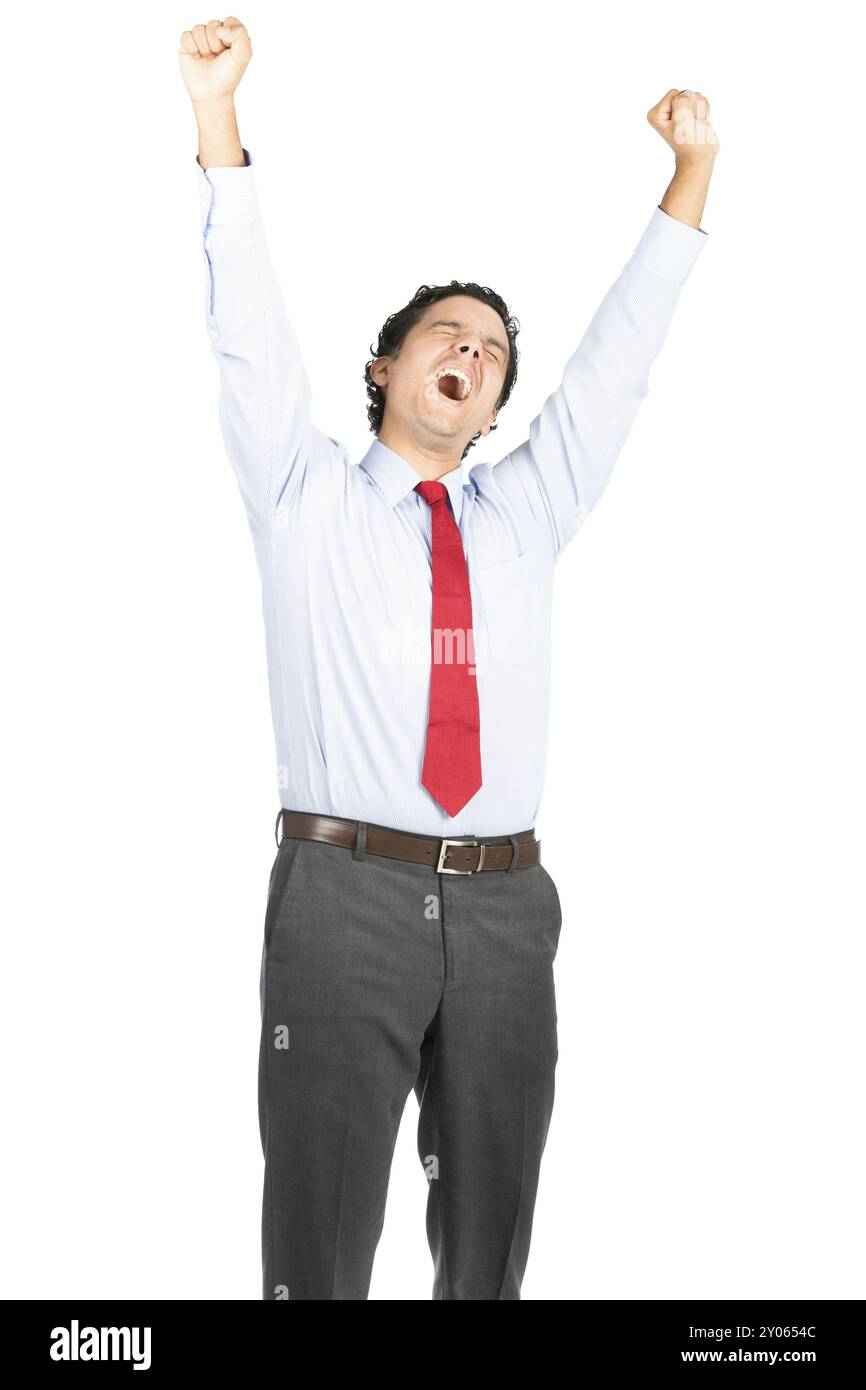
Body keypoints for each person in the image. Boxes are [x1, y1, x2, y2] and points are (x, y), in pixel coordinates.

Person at [179, 15, 717, 1301]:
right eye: (448, 333)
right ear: (386, 365)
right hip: (341, 895)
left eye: (491, 351)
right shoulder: (301, 495)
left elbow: (615, 368)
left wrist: (691, 175)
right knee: (316, 1243)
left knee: (490, 1245)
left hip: (505, 909)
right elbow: (247, 331)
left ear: (493, 403)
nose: (471, 353)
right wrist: (216, 126)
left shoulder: (526, 510)